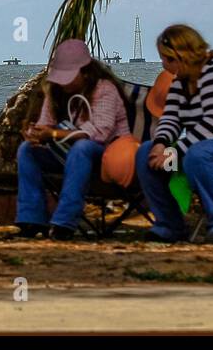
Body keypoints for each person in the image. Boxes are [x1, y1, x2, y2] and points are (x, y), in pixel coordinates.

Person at [14, 39, 130, 240]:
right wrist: (37, 135)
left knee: (83, 148)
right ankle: (31, 218)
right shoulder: (56, 91)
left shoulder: (105, 89)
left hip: (108, 157)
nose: (63, 83)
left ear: (85, 72)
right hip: (70, 154)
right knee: (27, 150)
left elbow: (99, 133)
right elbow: (46, 123)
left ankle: (64, 221)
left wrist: (53, 135)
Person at [135, 24, 213, 243]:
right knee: (146, 153)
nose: (164, 65)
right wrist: (160, 144)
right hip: (195, 148)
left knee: (198, 154)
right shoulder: (179, 83)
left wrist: (175, 152)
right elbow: (171, 118)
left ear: (178, 56)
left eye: (166, 59)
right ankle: (169, 224)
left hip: (212, 150)